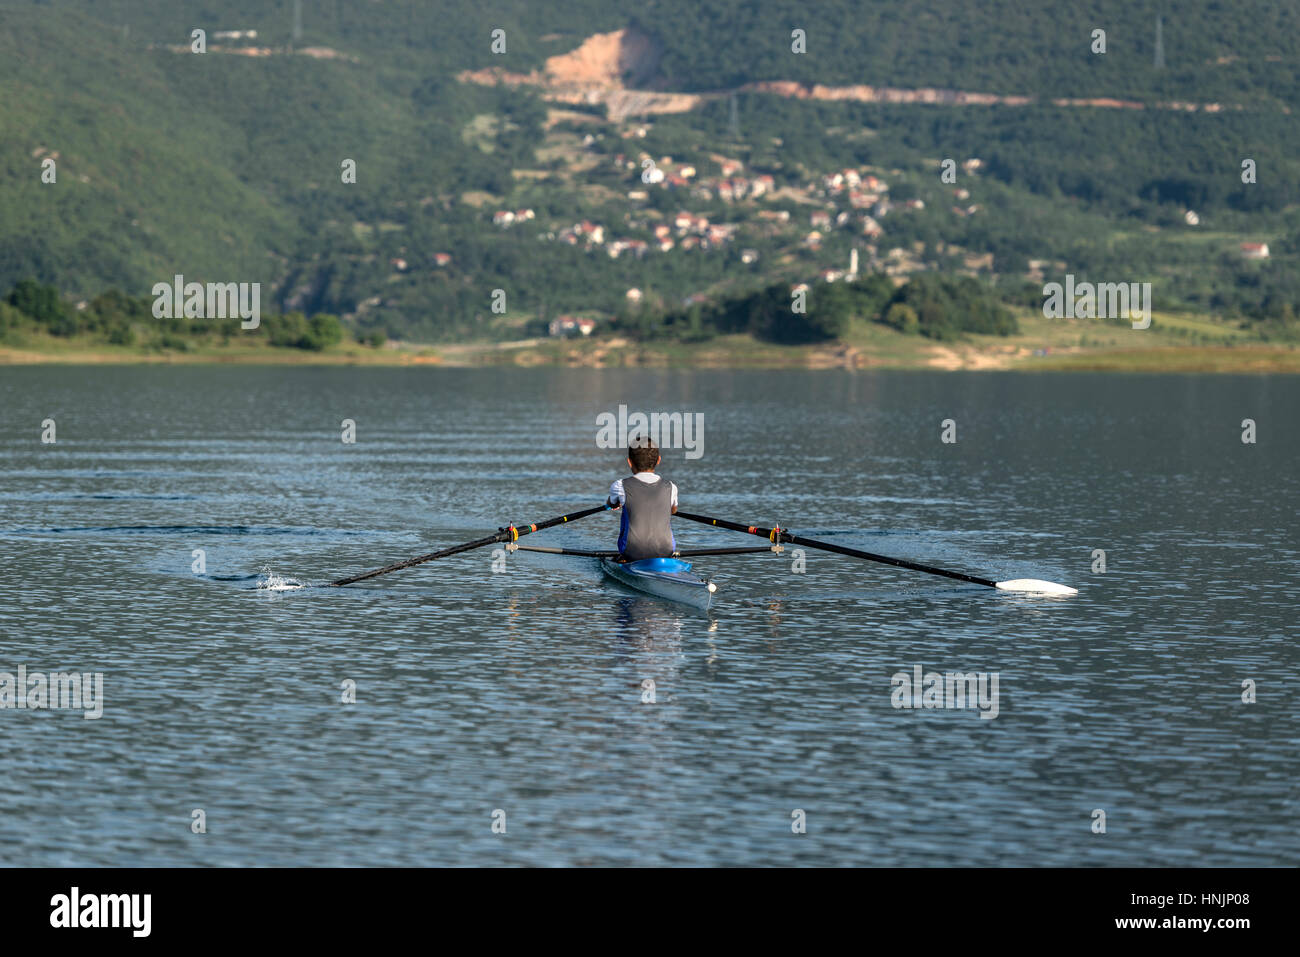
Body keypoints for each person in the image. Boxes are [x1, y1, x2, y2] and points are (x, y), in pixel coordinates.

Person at [606, 436, 677, 561]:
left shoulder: (619, 485)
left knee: (626, 512)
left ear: (629, 462)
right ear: (659, 460)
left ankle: (625, 557)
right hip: (666, 551)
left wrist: (616, 504)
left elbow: (612, 504)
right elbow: (673, 511)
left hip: (632, 552)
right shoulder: (671, 487)